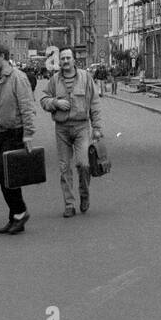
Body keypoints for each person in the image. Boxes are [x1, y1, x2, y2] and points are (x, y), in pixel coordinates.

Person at [39, 46, 103, 217]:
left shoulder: (85, 77)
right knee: (64, 167)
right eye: (63, 58)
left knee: (84, 164)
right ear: (59, 61)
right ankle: (69, 204)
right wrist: (55, 103)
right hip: (62, 129)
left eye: (68, 58)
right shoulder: (54, 80)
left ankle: (84, 194)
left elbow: (95, 103)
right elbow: (43, 99)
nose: (65, 61)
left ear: (74, 60)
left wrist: (97, 128)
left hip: (82, 127)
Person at [0, 43, 36, 234]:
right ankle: (14, 217)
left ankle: (20, 212)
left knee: (3, 173)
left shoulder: (17, 78)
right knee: (8, 177)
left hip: (15, 132)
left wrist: (29, 135)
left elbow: (27, 107)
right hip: (2, 133)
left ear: (3, 57)